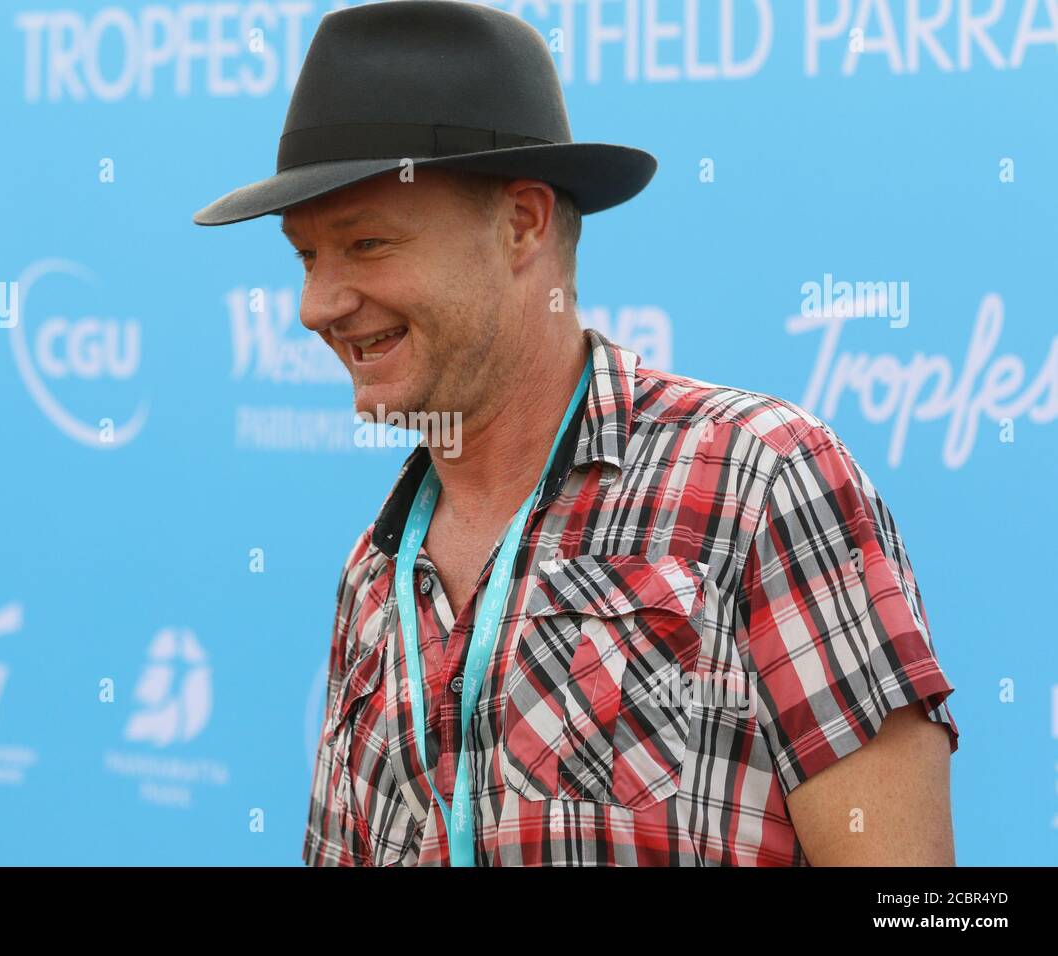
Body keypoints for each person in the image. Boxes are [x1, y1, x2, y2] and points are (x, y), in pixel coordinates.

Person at [194, 0, 958, 866]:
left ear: (522, 223)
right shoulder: (376, 572)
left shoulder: (762, 480)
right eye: (305, 257)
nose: (316, 306)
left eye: (366, 244)